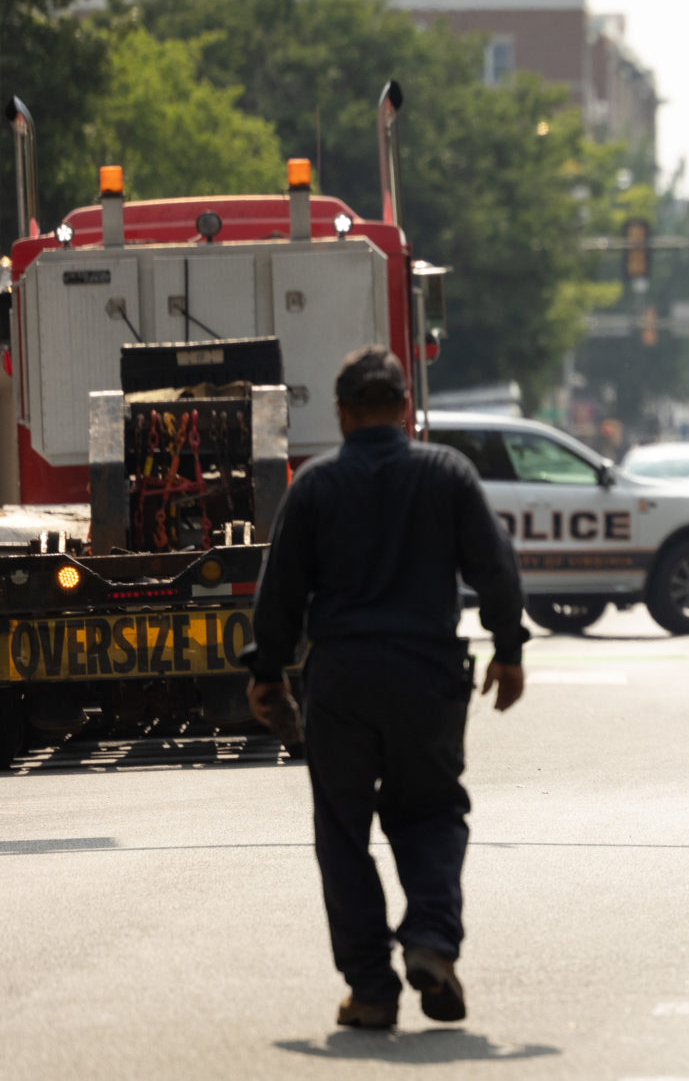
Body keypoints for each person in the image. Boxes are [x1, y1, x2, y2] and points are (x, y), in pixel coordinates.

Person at [243, 346, 527, 1029]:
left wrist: (266, 671)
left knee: (342, 830)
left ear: (341, 413)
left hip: (341, 679)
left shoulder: (315, 486)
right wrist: (509, 650)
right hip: (427, 675)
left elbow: (280, 586)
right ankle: (430, 938)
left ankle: (371, 988)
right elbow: (495, 565)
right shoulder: (447, 474)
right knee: (431, 811)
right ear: (405, 407)